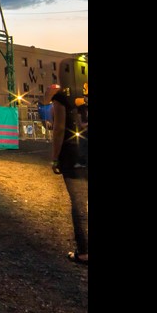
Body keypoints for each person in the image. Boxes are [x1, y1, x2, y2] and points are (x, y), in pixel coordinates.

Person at [49, 85, 88, 264]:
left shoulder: (62, 97)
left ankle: (84, 251)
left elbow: (59, 129)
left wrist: (55, 158)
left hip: (73, 155)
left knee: (79, 202)